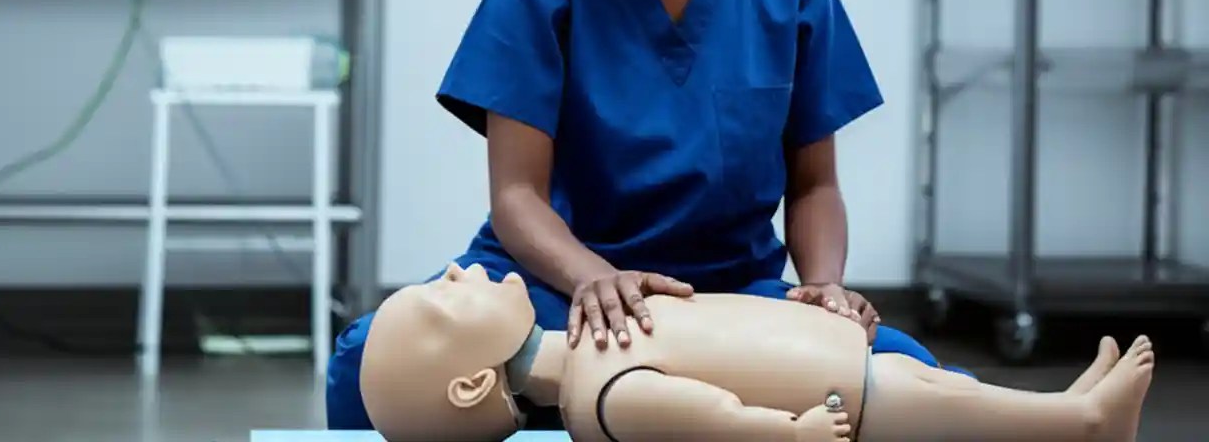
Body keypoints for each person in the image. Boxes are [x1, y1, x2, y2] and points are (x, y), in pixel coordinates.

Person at [327, 0, 967, 429]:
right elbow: (516, 196)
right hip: (559, 288)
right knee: (366, 364)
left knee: (914, 375)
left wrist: (823, 290)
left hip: (728, 296)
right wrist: (594, 278)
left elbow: (814, 185)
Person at [357, 263, 1154, 442]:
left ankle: (1065, 409)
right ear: (469, 386)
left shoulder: (592, 328)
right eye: (441, 300)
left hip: (836, 360)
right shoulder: (601, 398)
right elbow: (710, 416)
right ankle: (1085, 425)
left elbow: (710, 326)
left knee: (944, 390)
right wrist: (790, 434)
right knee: (951, 403)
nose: (454, 272)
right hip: (842, 398)